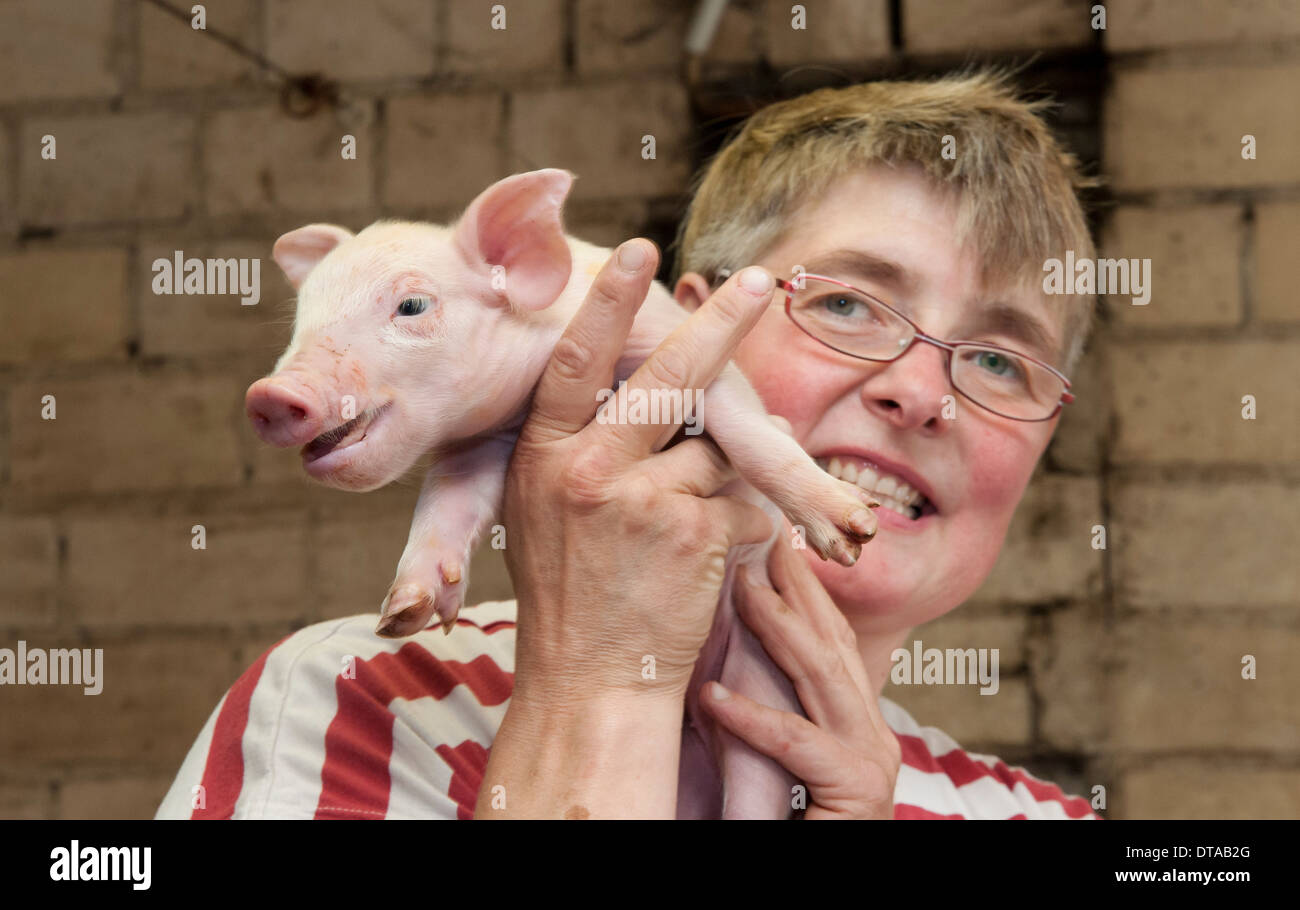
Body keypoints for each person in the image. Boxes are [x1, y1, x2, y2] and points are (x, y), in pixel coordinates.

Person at [157, 70, 1100, 820]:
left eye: (1001, 362)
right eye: (846, 304)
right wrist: (598, 687)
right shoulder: (355, 705)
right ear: (683, 338)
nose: (923, 390)